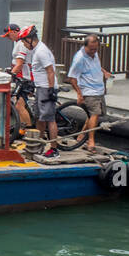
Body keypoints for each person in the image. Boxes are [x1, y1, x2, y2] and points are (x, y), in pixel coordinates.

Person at [18, 25, 60, 157]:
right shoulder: (37, 50)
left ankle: (54, 150)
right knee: (40, 118)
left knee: (49, 119)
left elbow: (50, 71)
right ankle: (37, 145)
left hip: (46, 88)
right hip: (40, 87)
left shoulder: (41, 51)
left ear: (30, 39)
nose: (24, 45)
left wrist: (51, 90)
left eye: (24, 41)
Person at [68, 34, 112, 151]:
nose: (93, 51)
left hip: (99, 89)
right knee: (94, 114)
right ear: (85, 46)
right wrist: (79, 94)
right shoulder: (80, 58)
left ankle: (82, 135)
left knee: (93, 114)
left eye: (95, 49)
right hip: (88, 90)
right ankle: (91, 141)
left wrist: (104, 72)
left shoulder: (94, 53)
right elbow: (72, 78)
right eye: (91, 49)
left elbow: (97, 65)